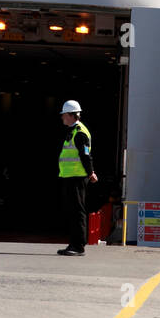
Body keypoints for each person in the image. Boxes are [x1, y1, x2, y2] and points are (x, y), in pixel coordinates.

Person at [56, 99, 97, 256]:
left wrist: (90, 173)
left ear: (71, 115)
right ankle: (73, 243)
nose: (62, 118)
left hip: (77, 177)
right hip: (70, 177)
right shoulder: (73, 131)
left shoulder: (80, 132)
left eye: (64, 115)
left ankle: (78, 246)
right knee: (73, 211)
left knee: (77, 211)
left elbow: (85, 155)